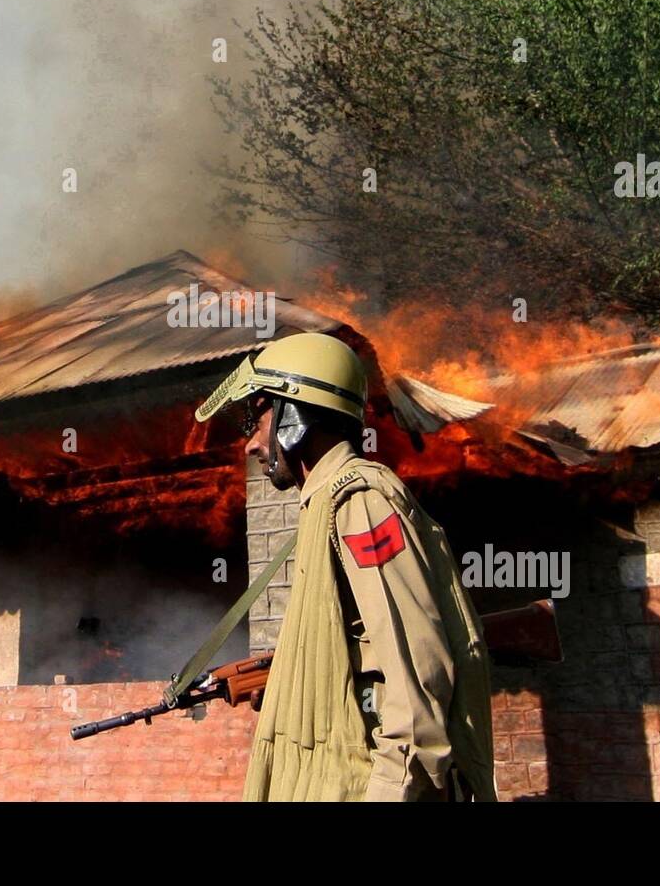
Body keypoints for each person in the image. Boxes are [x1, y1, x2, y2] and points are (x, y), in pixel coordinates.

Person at [194, 331, 497, 802]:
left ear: (293, 416)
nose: (250, 445)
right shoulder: (325, 506)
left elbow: (417, 666)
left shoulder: (360, 503)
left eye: (256, 419)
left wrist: (391, 790)